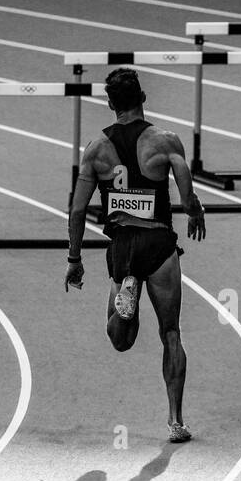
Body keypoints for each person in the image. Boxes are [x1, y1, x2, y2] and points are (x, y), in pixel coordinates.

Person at [65, 68, 207, 442]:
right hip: (159, 245)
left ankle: (126, 296)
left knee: (121, 339)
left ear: (110, 104)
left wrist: (74, 260)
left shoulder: (96, 150)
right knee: (171, 333)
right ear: (143, 97)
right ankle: (175, 420)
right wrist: (193, 210)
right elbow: (185, 186)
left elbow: (78, 210)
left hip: (123, 246)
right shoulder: (165, 141)